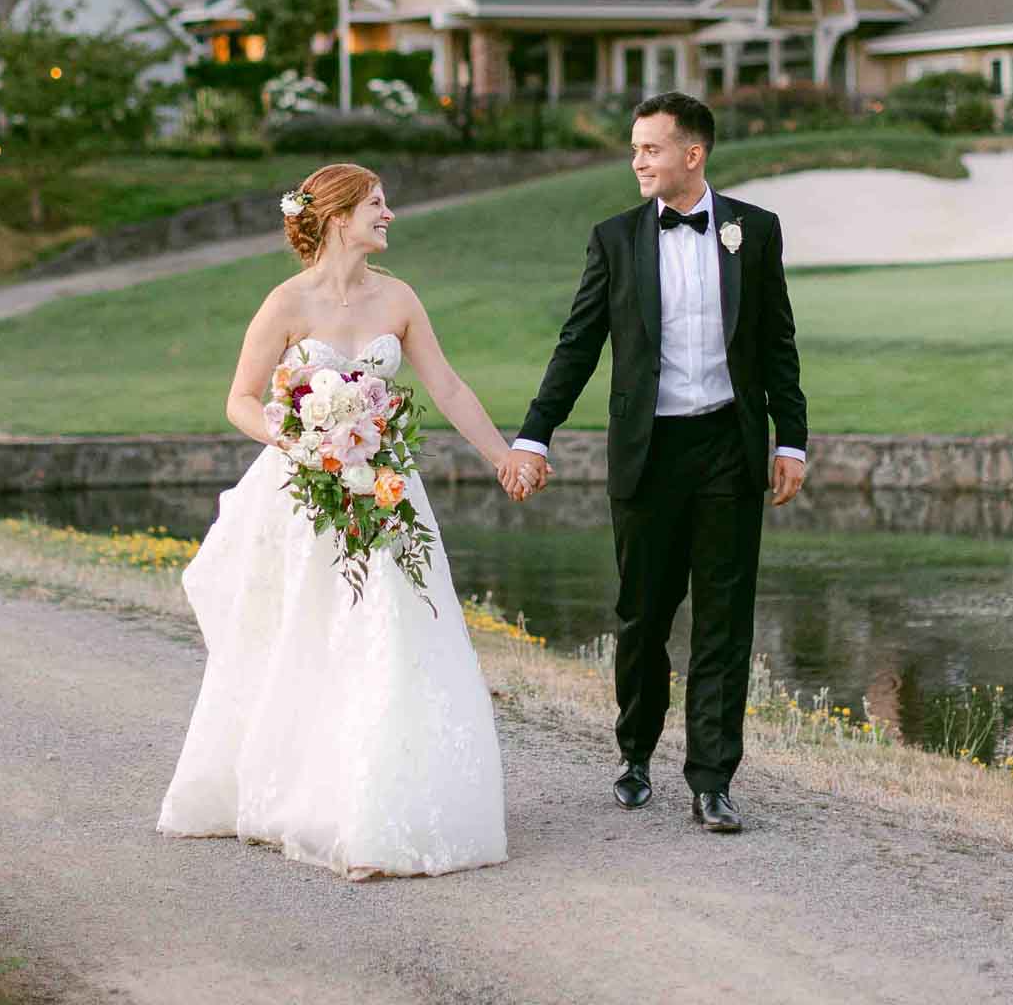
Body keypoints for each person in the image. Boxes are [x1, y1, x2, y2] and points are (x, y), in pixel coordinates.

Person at [157, 161, 518, 879]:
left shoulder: (400, 298)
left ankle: (385, 803)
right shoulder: (287, 303)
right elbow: (239, 397)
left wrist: (504, 456)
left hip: (387, 492)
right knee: (310, 635)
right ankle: (307, 792)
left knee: (393, 629)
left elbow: (445, 385)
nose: (390, 215)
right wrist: (298, 439)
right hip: (306, 496)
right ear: (339, 216)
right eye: (378, 204)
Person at [501, 92, 808, 833]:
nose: (637, 161)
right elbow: (577, 345)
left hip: (728, 452)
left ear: (691, 155)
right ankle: (635, 753)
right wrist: (534, 434)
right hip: (648, 452)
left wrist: (790, 438)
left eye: (650, 149)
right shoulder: (614, 239)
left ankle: (711, 780)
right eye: (635, 148)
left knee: (725, 621)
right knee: (643, 615)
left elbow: (776, 342)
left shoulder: (753, 232)